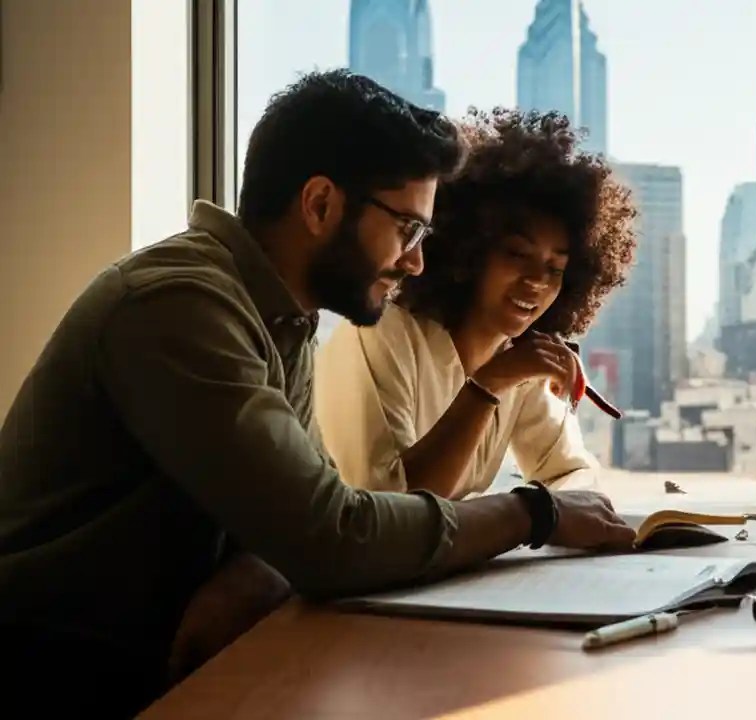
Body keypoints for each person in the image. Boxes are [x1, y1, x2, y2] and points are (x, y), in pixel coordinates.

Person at [0, 70, 635, 716]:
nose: (417, 260)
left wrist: (263, 561)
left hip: (152, 657)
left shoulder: (282, 318)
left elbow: (305, 517)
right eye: (407, 231)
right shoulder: (180, 306)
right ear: (321, 205)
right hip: (54, 672)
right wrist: (536, 513)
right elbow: (337, 535)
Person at [315, 107, 636, 499]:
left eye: (555, 269)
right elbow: (395, 510)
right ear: (469, 249)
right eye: (517, 255)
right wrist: (492, 383)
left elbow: (575, 476)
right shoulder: (382, 334)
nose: (536, 280)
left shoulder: (517, 359)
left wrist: (543, 512)